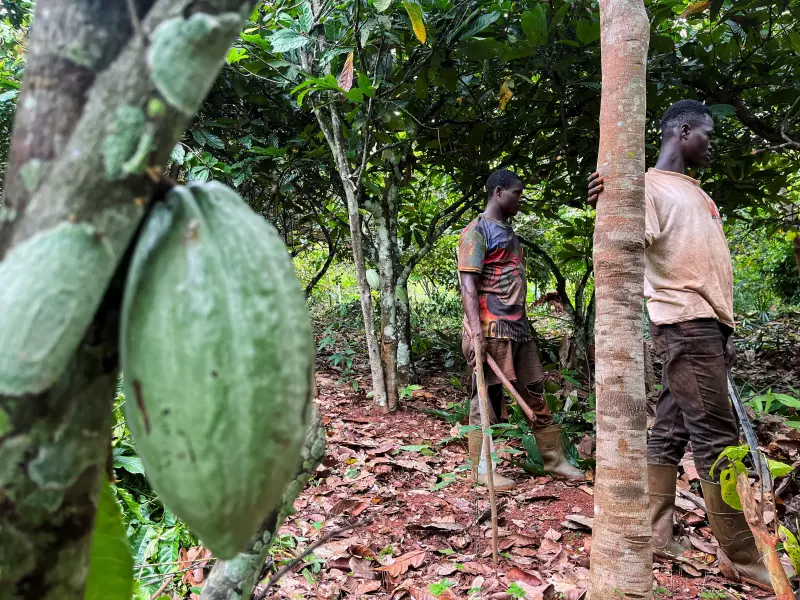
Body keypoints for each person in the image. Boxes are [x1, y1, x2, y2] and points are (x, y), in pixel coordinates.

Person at [588, 99, 771, 589]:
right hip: (685, 321)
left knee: (670, 429)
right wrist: (609, 197)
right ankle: (745, 554)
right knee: (716, 435)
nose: (709, 145)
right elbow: (628, 235)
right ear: (682, 131)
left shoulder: (695, 191)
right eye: (706, 136)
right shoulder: (647, 186)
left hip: (706, 324)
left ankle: (656, 535)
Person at [458, 169, 584, 491]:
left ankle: (554, 460)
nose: (521, 200)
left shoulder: (509, 232)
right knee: (484, 398)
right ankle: (483, 471)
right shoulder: (476, 231)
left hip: (518, 328)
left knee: (535, 390)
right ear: (498, 192)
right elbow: (468, 286)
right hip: (490, 327)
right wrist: (476, 334)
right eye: (517, 193)